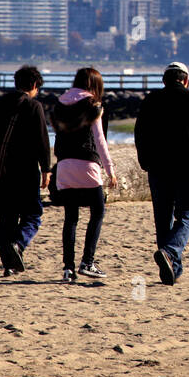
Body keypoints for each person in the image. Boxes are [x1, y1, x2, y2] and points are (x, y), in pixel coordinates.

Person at [134, 62, 189, 286]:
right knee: (187, 215)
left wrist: (145, 162)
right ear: (186, 80)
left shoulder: (151, 100)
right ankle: (171, 254)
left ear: (164, 80)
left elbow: (140, 134)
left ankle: (172, 268)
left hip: (158, 169)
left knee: (163, 218)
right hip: (185, 168)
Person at [0, 65, 51, 275]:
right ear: (35, 85)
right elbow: (42, 141)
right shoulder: (34, 106)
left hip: (4, 171)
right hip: (27, 170)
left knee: (6, 219)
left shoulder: (2, 103)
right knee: (33, 215)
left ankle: (9, 265)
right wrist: (46, 169)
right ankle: (18, 245)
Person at [52, 67, 117, 284]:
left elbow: (57, 136)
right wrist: (110, 170)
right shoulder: (93, 105)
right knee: (97, 212)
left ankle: (68, 268)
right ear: (94, 85)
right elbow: (99, 141)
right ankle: (87, 262)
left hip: (64, 165)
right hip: (87, 165)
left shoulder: (60, 103)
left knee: (71, 218)